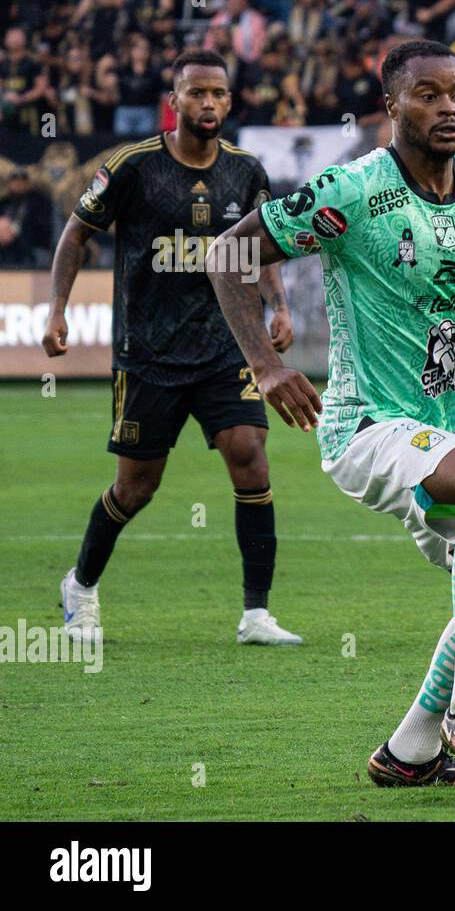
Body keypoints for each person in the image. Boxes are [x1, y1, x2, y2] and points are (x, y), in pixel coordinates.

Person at [205, 40, 455, 786]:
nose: (448, 106)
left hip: (443, 427)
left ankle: (410, 750)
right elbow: (227, 254)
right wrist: (265, 365)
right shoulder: (352, 191)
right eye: (428, 94)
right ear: (391, 105)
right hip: (365, 424)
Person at [42, 49, 301, 647]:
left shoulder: (246, 172)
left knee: (250, 456)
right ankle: (81, 585)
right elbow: (77, 233)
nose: (207, 103)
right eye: (195, 93)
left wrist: (278, 305)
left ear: (229, 101)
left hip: (226, 348)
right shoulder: (132, 166)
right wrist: (57, 310)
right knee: (137, 488)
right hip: (149, 353)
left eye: (217, 93)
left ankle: (256, 613)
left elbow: (257, 247)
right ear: (175, 99)